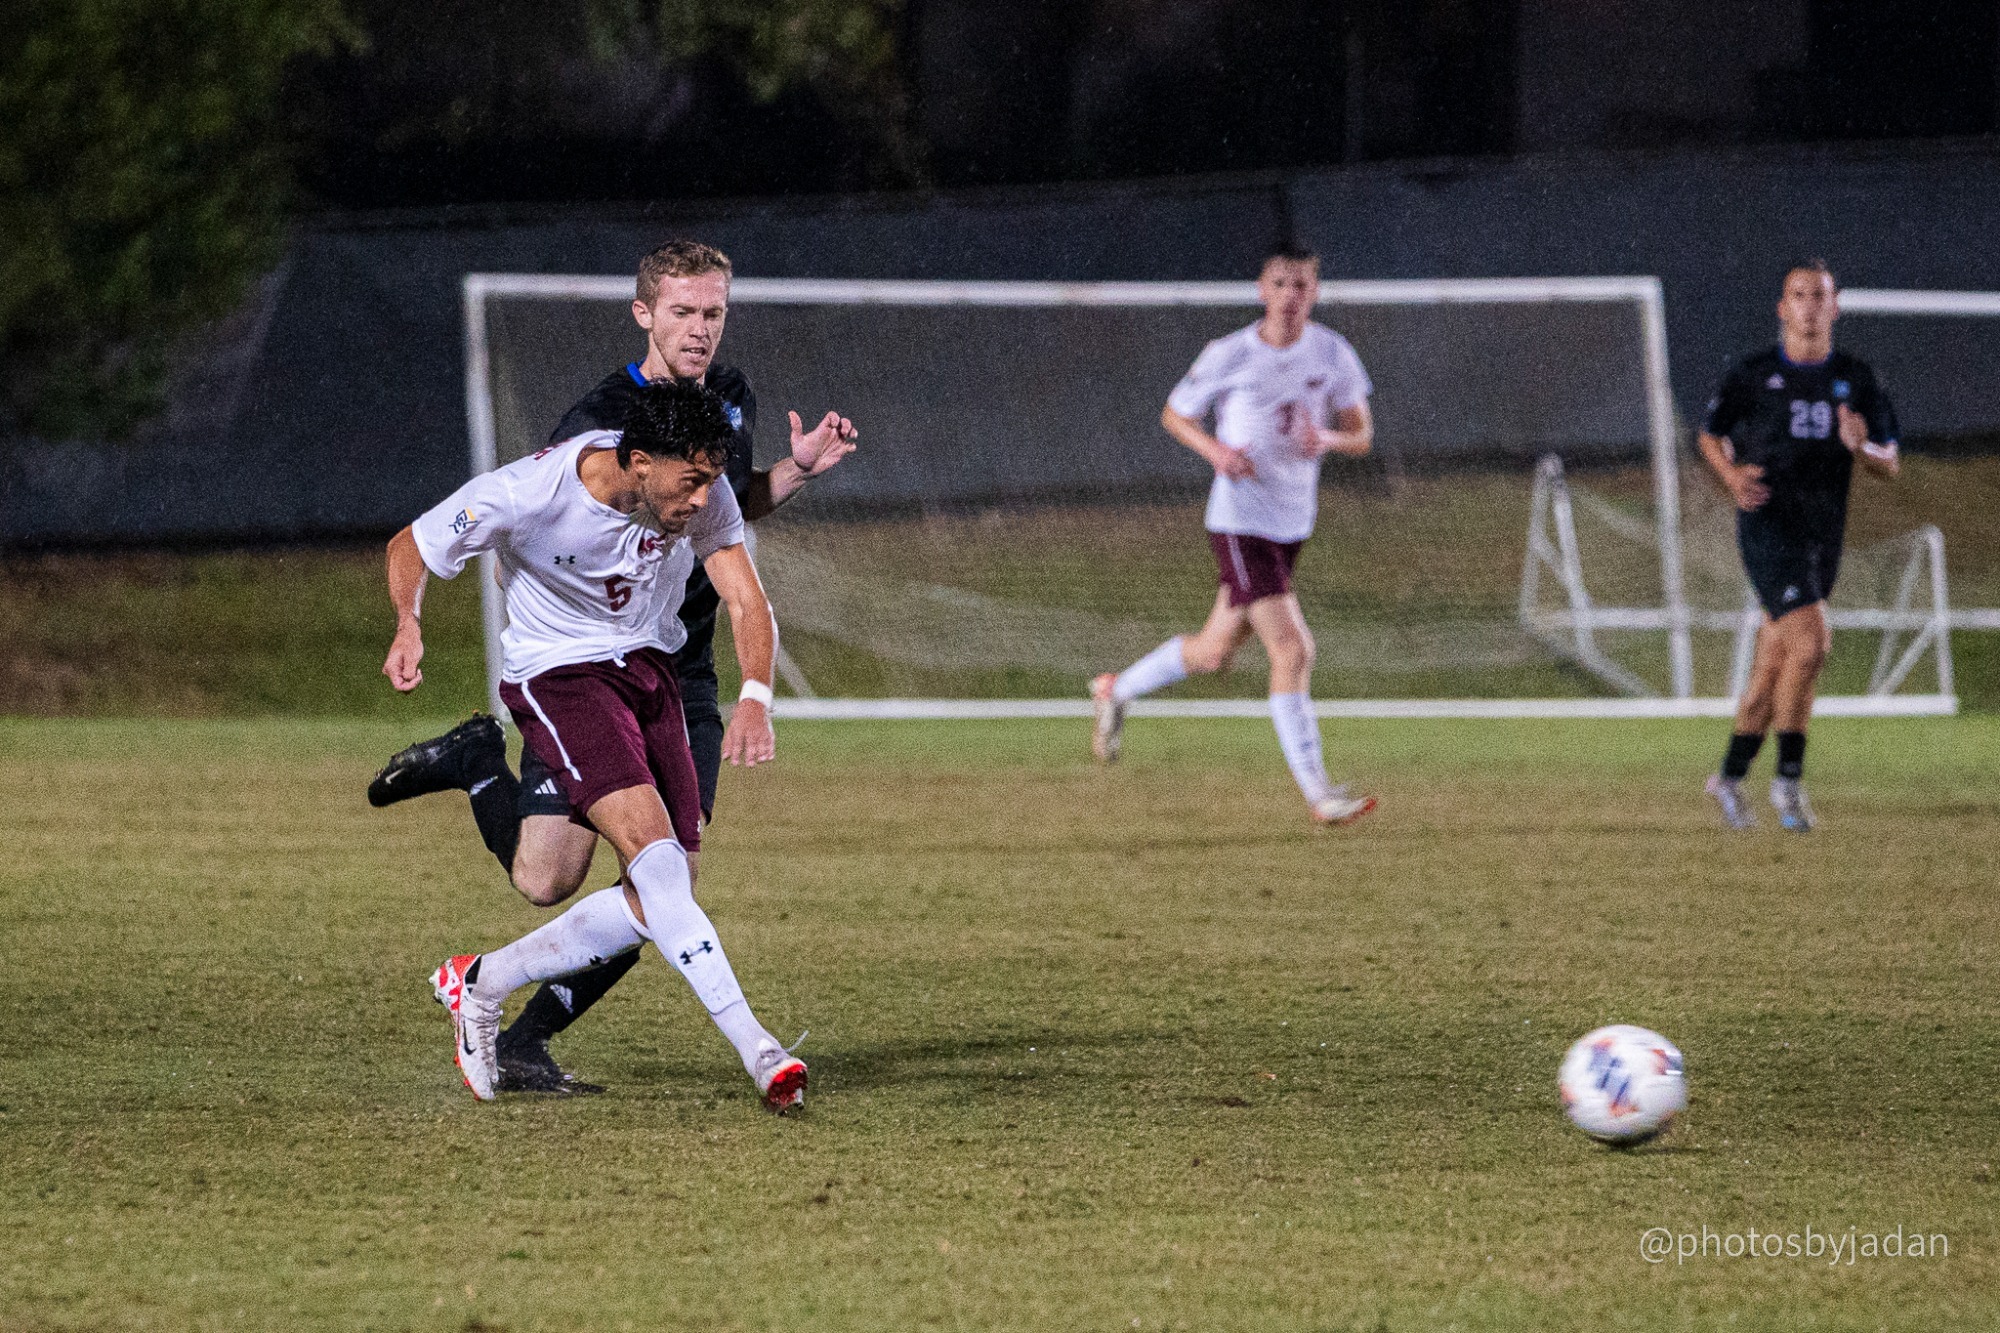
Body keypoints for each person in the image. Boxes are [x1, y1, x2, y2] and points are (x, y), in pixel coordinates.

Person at [368, 240, 856, 1091]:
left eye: (714, 313)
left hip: (667, 666)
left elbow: (731, 548)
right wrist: (409, 621)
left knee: (633, 886)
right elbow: (428, 537)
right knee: (619, 872)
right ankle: (760, 1050)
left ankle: (497, 1001)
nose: (701, 329)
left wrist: (754, 689)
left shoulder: (720, 416)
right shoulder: (567, 460)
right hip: (568, 670)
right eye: (683, 312)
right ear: (645, 314)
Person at [1089, 246, 1377, 827]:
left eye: (1301, 284)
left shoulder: (1332, 353)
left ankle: (1116, 690)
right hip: (1239, 523)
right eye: (1280, 283)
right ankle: (1321, 795)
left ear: (1315, 292)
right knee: (1293, 650)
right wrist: (1216, 451)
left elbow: (1362, 435)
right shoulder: (1230, 353)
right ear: (1261, 290)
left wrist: (1327, 439)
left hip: (1291, 525)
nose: (1291, 294)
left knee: (1214, 650)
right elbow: (1174, 414)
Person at [1699, 259, 1900, 832]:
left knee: (1776, 664)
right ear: (1782, 308)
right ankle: (1788, 783)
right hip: (1768, 525)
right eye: (1798, 295)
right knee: (1811, 645)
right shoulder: (1753, 374)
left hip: (1821, 533)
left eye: (1820, 295)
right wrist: (1731, 477)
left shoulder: (1858, 380)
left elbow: (1890, 463)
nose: (1809, 305)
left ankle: (1730, 780)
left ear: (1835, 307)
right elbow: (1709, 434)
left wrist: (1862, 451)